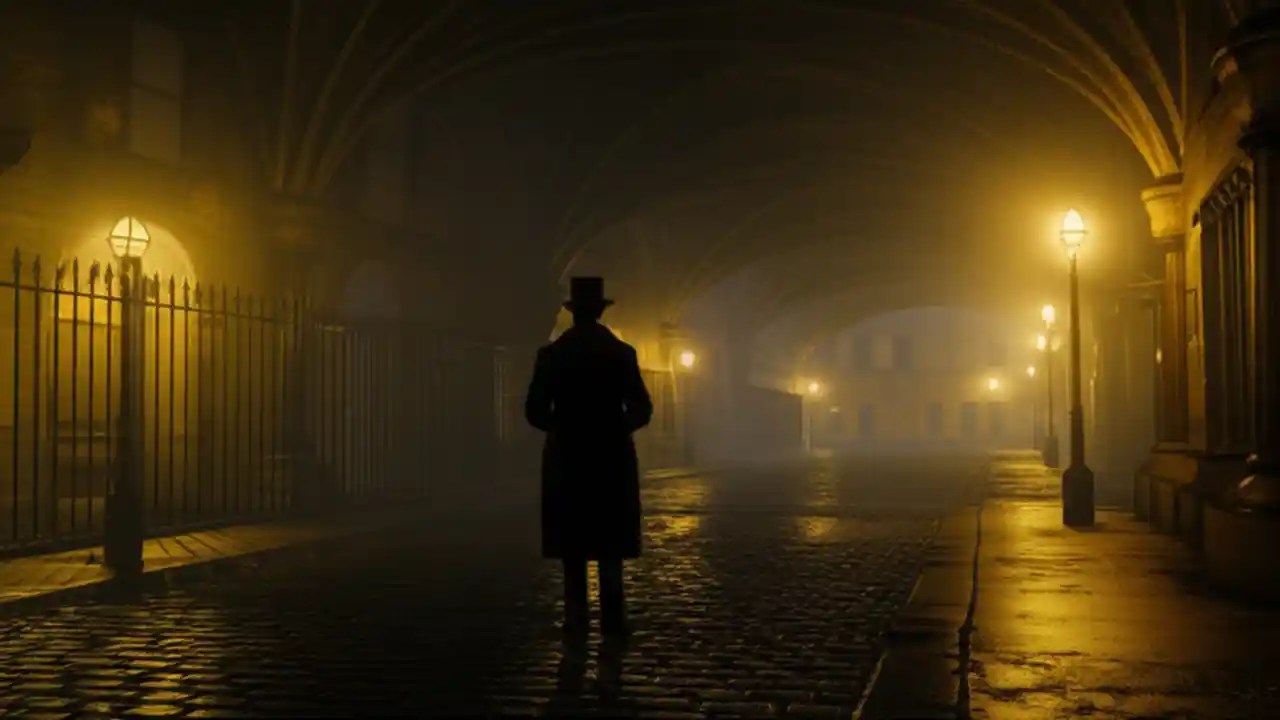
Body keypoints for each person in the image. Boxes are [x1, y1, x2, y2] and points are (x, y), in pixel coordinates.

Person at [525, 277, 653, 642]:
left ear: (571, 313)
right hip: (611, 456)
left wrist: (561, 428)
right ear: (600, 311)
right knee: (610, 540)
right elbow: (642, 407)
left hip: (568, 456)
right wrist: (616, 428)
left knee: (573, 542)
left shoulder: (551, 356)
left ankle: (575, 617)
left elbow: (534, 410)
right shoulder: (621, 353)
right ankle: (614, 618)